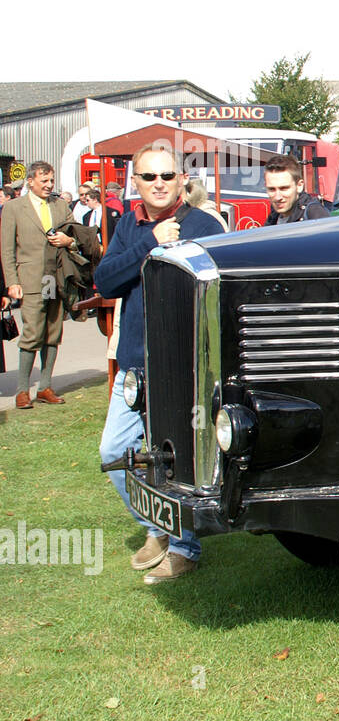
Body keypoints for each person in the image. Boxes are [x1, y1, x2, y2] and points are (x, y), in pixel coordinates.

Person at [95, 141, 224, 583]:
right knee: (115, 451)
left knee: (176, 463)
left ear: (182, 180)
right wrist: (149, 243)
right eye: (149, 177)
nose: (159, 184)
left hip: (184, 368)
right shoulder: (130, 226)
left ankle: (185, 547)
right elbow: (107, 280)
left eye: (167, 176)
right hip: (135, 365)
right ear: (136, 183)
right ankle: (157, 528)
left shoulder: (205, 223)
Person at [0, 161, 77, 408]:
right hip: (30, 279)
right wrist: (11, 282)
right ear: (30, 181)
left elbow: (77, 236)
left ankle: (45, 386)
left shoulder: (60, 205)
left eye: (51, 181)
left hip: (56, 277)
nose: (49, 185)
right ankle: (23, 390)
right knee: (33, 332)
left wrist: (68, 241)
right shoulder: (13, 208)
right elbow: (7, 249)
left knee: (53, 332)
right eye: (44, 181)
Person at [262, 155, 329, 225]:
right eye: (272, 189)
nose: (277, 197)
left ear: (299, 186)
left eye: (284, 188)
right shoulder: (273, 218)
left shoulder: (314, 214)